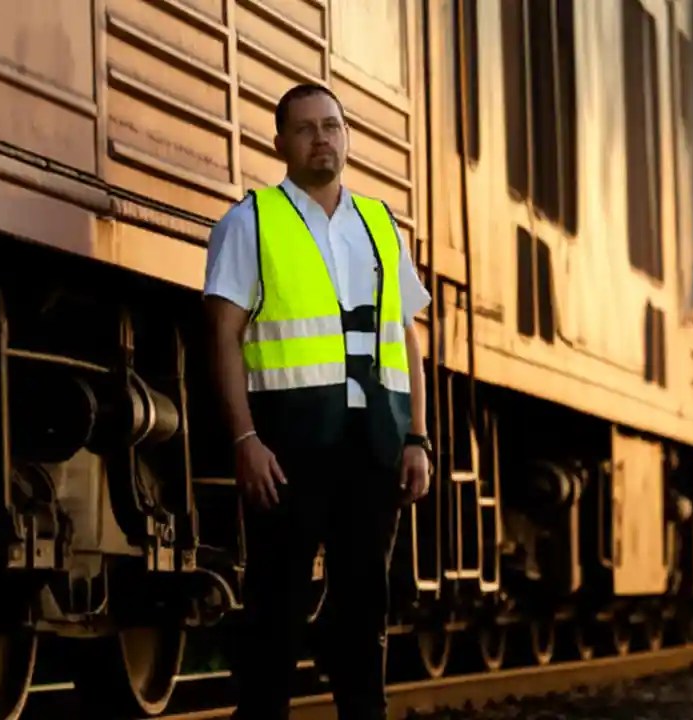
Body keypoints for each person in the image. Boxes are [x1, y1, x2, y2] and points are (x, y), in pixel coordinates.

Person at [202, 82, 434, 720]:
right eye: (305, 129)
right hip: (287, 451)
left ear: (347, 136)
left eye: (331, 125)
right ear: (281, 144)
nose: (321, 138)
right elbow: (224, 334)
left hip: (374, 450)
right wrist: (245, 441)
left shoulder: (381, 226)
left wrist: (417, 437)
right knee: (274, 611)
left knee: (364, 612)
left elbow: (407, 339)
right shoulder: (251, 222)